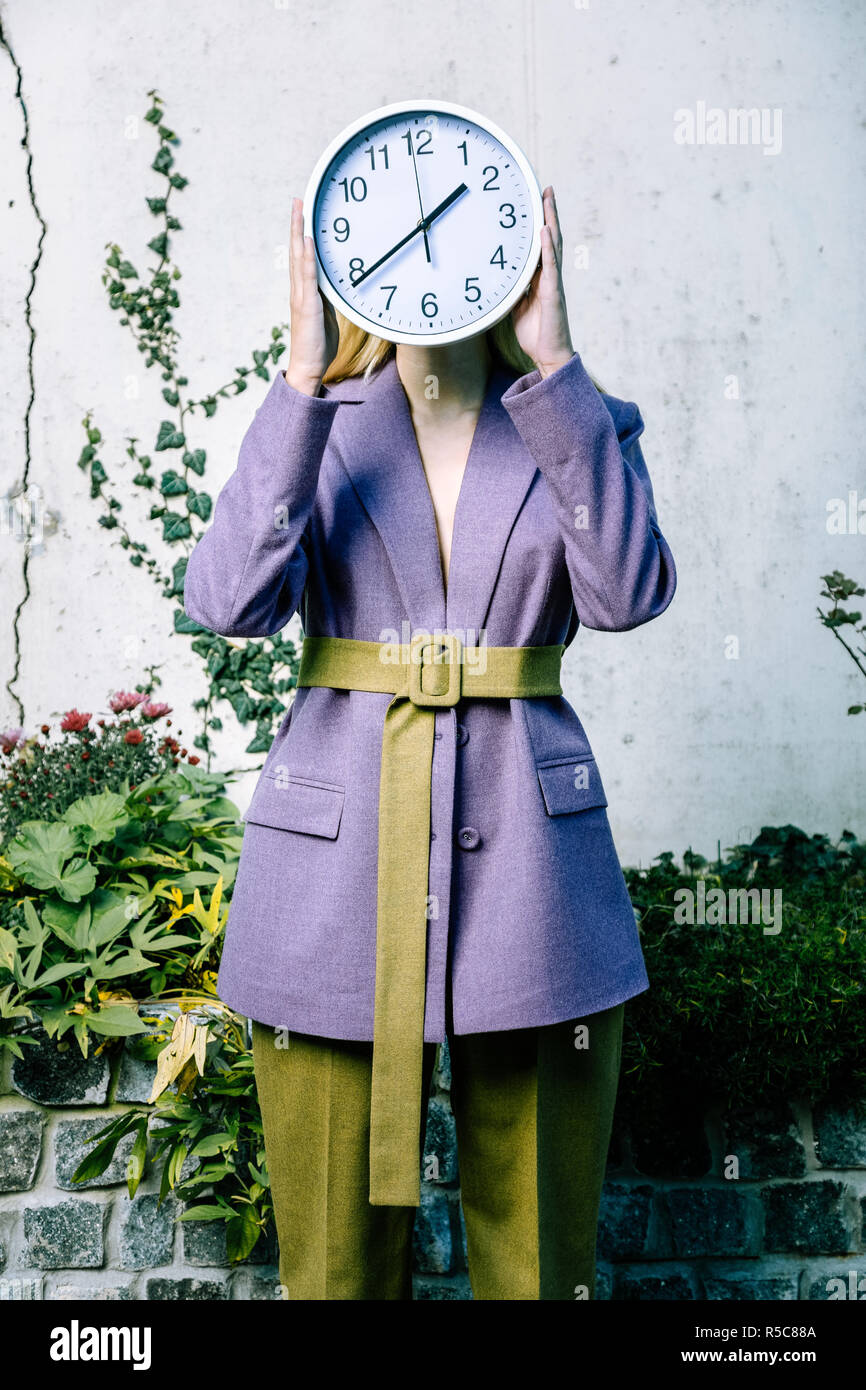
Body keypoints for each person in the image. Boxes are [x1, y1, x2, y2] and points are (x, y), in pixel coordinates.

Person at [183, 186, 677, 1300]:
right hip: (332, 868)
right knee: (333, 1266)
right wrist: (302, 380)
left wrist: (555, 370)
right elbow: (225, 600)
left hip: (532, 871)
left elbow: (627, 593)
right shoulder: (314, 425)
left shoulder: (578, 420)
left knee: (538, 1264)